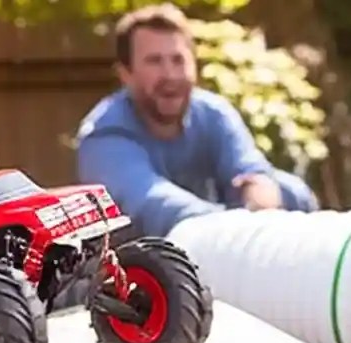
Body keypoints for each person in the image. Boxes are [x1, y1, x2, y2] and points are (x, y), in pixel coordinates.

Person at [74, 3, 319, 239]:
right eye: (154, 61)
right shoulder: (103, 134)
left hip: (219, 244)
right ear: (125, 74)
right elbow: (155, 206)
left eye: (178, 60)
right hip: (143, 267)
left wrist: (263, 204)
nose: (170, 75)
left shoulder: (213, 112)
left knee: (292, 192)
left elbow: (250, 171)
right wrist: (245, 230)